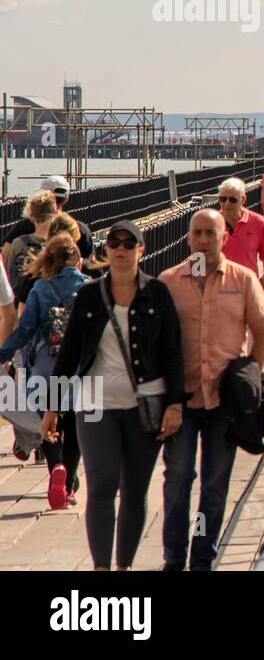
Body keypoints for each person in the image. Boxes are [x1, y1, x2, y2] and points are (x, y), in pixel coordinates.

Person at [44, 220, 185, 571]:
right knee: (102, 485)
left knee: (135, 491)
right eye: (114, 242)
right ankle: (102, 568)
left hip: (145, 406)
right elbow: (70, 351)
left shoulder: (158, 293)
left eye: (128, 242)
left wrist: (175, 404)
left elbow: (173, 351)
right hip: (95, 405)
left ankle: (123, 566)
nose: (120, 249)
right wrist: (53, 406)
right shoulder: (90, 294)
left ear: (141, 248)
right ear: (105, 250)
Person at [159, 209, 264, 571]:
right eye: (197, 234)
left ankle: (201, 557)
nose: (203, 240)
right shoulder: (170, 282)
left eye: (211, 233)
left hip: (224, 403)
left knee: (213, 486)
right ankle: (174, 556)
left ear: (225, 238)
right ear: (189, 238)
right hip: (182, 400)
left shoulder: (244, 280)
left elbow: (262, 332)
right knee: (177, 480)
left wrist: (249, 376)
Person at [0, 233, 90, 509]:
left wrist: (3, 354)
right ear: (77, 259)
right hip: (80, 369)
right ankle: (70, 485)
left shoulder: (40, 288)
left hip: (45, 367)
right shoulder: (90, 287)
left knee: (48, 426)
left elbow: (25, 331)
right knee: (74, 426)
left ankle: (57, 468)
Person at [1, 176, 93, 260]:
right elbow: (90, 263)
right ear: (66, 199)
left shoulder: (24, 227)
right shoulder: (80, 229)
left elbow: (5, 256)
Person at [3, 190, 61, 301]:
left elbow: (9, 274)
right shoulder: (60, 243)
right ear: (55, 214)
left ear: (31, 215)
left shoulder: (18, 243)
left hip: (21, 301)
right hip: (51, 301)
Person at [215, 178, 264, 281]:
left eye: (232, 200)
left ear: (243, 200)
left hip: (248, 292)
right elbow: (199, 257)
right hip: (218, 293)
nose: (227, 203)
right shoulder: (210, 222)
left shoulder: (258, 223)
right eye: (223, 199)